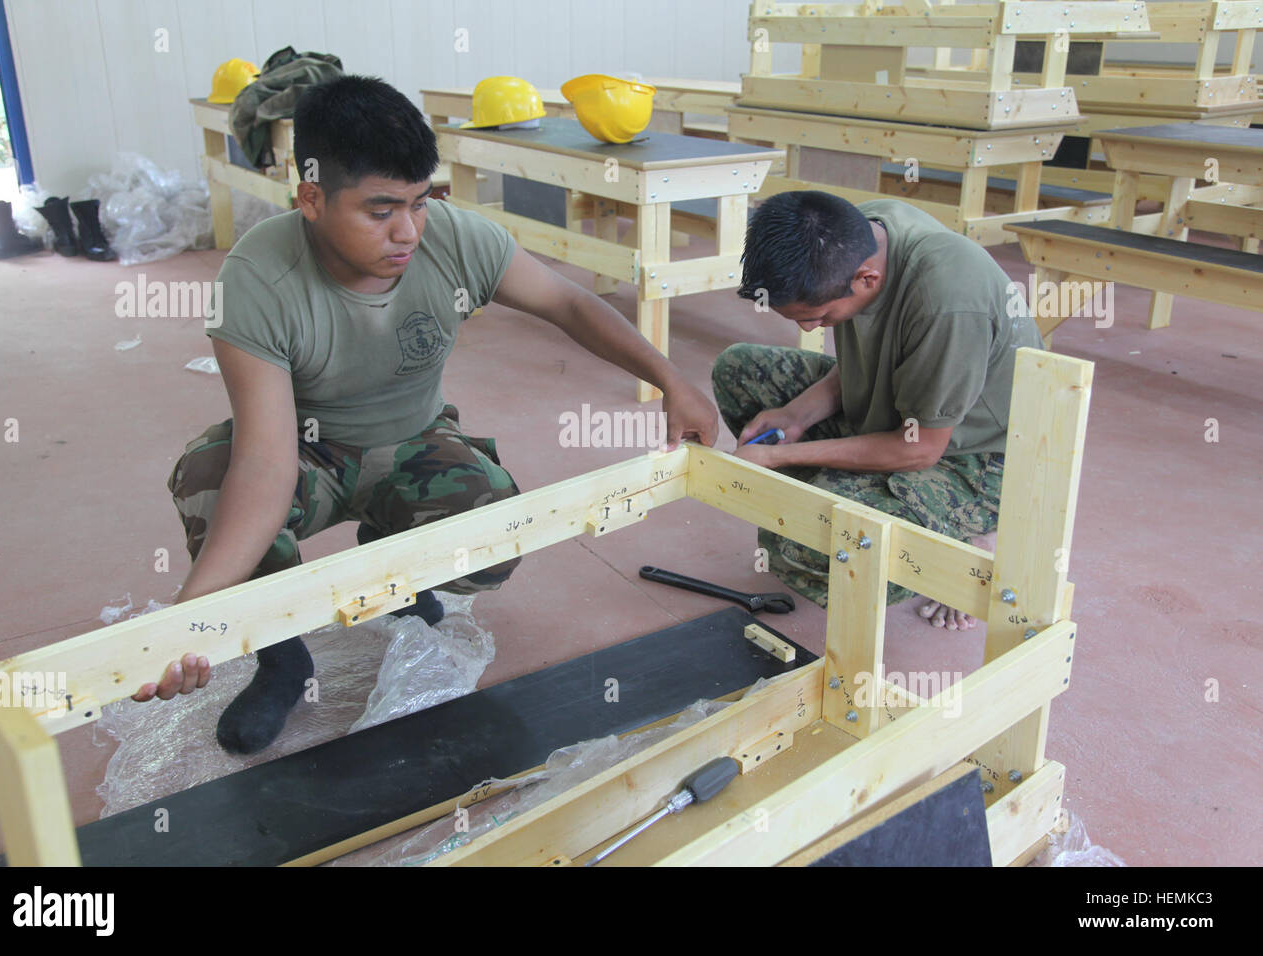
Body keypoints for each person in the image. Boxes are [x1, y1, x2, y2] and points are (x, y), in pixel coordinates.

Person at [132, 75, 717, 753]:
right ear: (312, 199)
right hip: (306, 452)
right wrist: (190, 622)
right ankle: (281, 659)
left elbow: (568, 303)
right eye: (380, 210)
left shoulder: (454, 240)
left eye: (420, 202)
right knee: (210, 477)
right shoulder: (256, 280)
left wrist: (671, 380)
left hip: (414, 440)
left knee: (492, 528)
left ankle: (394, 573)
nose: (407, 231)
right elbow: (266, 460)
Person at [712, 191, 1042, 629]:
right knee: (738, 371)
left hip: (973, 455)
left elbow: (920, 448)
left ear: (867, 279)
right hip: (905, 409)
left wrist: (779, 455)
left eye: (820, 315)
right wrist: (795, 417)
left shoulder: (948, 298)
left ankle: (962, 541)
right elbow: (873, 358)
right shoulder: (858, 230)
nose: (809, 328)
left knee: (800, 549)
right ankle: (856, 490)